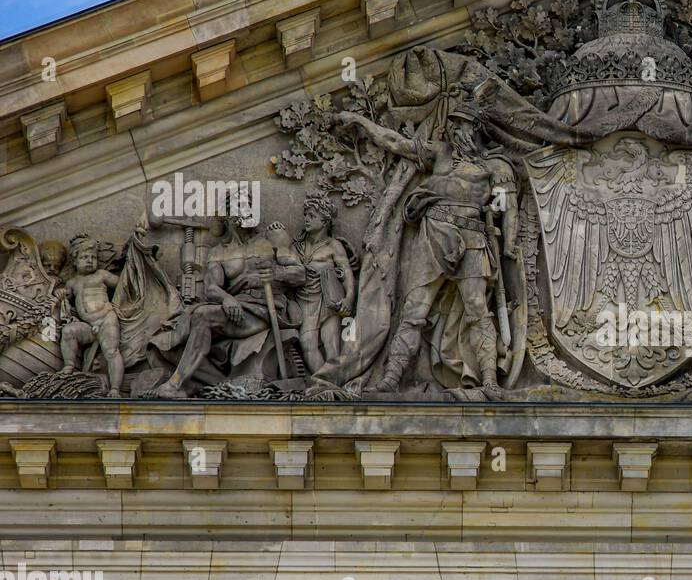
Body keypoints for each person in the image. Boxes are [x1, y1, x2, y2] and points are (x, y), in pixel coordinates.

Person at [335, 104, 516, 393]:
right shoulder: (440, 154)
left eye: (463, 124)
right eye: (454, 124)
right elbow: (397, 143)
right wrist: (360, 121)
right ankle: (391, 378)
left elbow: (508, 210)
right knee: (414, 309)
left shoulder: (495, 166)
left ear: (477, 129)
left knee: (477, 308)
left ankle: (490, 380)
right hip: (433, 235)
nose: (456, 129)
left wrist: (509, 245)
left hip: (472, 239)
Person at [150, 214, 306, 398]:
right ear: (227, 218)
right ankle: (208, 383)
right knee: (171, 339)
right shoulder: (219, 252)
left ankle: (175, 384)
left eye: (248, 206)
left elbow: (299, 273)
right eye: (238, 209)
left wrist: (275, 273)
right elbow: (211, 288)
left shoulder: (272, 237)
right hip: (236, 308)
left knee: (202, 316)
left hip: (265, 308)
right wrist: (226, 298)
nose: (244, 215)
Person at [294, 193, 356, 374]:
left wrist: (349, 297)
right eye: (305, 214)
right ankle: (322, 382)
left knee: (330, 342)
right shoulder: (298, 245)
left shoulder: (333, 245)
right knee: (307, 343)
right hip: (305, 299)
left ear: (324, 221)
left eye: (312, 215)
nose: (306, 219)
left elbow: (345, 272)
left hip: (329, 298)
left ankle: (332, 385)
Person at [59, 235, 124, 395]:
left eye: (93, 257)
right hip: (88, 326)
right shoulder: (72, 283)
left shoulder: (101, 275)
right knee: (68, 331)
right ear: (74, 261)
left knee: (111, 351)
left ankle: (115, 388)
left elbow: (124, 284)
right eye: (84, 257)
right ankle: (69, 365)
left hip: (106, 319)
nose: (89, 260)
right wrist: (59, 293)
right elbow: (65, 296)